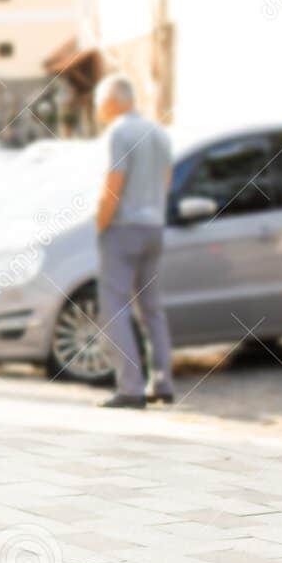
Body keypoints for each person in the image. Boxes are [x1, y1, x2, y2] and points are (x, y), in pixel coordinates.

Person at [93, 74, 174, 409]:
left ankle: (131, 388)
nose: (98, 109)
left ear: (112, 101)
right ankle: (163, 382)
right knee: (151, 308)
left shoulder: (119, 132)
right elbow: (166, 180)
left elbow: (114, 182)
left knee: (114, 307)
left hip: (123, 228)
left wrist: (100, 224)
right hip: (154, 227)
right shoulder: (159, 132)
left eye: (99, 102)